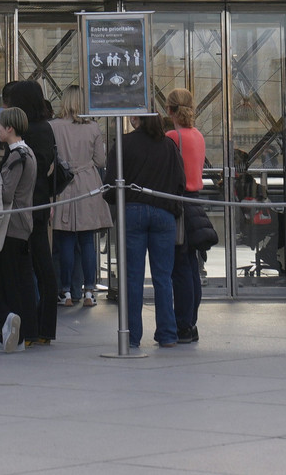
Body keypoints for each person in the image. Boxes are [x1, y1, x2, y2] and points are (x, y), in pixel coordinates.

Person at [106, 113, 187, 349]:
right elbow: (180, 182)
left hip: (132, 212)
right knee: (163, 277)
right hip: (164, 213)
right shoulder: (169, 145)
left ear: (135, 120)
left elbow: (111, 183)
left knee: (133, 277)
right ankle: (167, 334)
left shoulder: (123, 143)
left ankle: (131, 336)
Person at [0, 106, 41, 353]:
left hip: (11, 227)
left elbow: (6, 192)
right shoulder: (27, 153)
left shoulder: (17, 156)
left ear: (10, 128)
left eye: (0, 126)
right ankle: (20, 334)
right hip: (22, 225)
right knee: (17, 281)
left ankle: (8, 329)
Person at [4, 82, 61, 346]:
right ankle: (44, 329)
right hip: (39, 204)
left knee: (26, 270)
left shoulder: (25, 134)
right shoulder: (45, 128)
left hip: (24, 206)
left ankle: (30, 327)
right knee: (42, 266)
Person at [50, 107, 109, 309]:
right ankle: (89, 291)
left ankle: (65, 291)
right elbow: (101, 161)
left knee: (65, 239)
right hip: (87, 183)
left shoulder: (54, 126)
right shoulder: (93, 127)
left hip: (64, 184)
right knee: (87, 241)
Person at [165, 89, 207, 339]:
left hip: (178, 204)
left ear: (169, 110)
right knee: (191, 266)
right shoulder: (198, 135)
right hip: (196, 202)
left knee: (179, 267)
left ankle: (183, 323)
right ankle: (191, 321)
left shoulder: (172, 136)